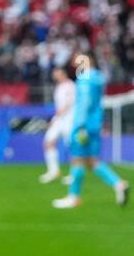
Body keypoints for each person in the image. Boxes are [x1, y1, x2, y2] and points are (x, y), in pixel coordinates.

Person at [52, 54, 128, 209]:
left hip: (83, 126)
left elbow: (85, 103)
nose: (75, 63)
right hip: (95, 125)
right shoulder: (98, 78)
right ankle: (118, 184)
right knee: (92, 161)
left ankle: (74, 196)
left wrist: (80, 126)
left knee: (77, 160)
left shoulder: (85, 80)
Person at [39, 66, 74, 184]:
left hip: (69, 118)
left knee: (72, 146)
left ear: (63, 73)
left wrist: (59, 115)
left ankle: (74, 174)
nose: (54, 75)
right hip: (59, 119)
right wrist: (55, 118)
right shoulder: (59, 87)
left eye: (56, 73)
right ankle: (53, 171)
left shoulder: (70, 85)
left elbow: (70, 103)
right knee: (48, 141)